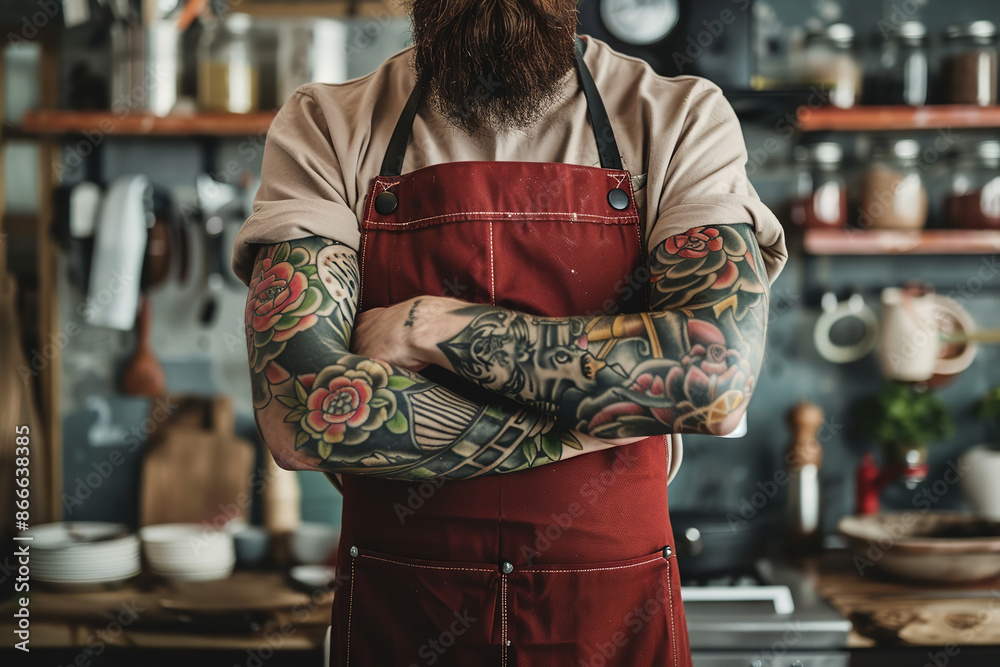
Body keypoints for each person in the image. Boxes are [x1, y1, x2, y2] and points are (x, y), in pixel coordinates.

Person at [233, 1, 787, 664]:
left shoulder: (677, 117)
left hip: (610, 619)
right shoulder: (327, 123)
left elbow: (713, 380)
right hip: (405, 617)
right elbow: (300, 415)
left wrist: (427, 325)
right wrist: (608, 419)